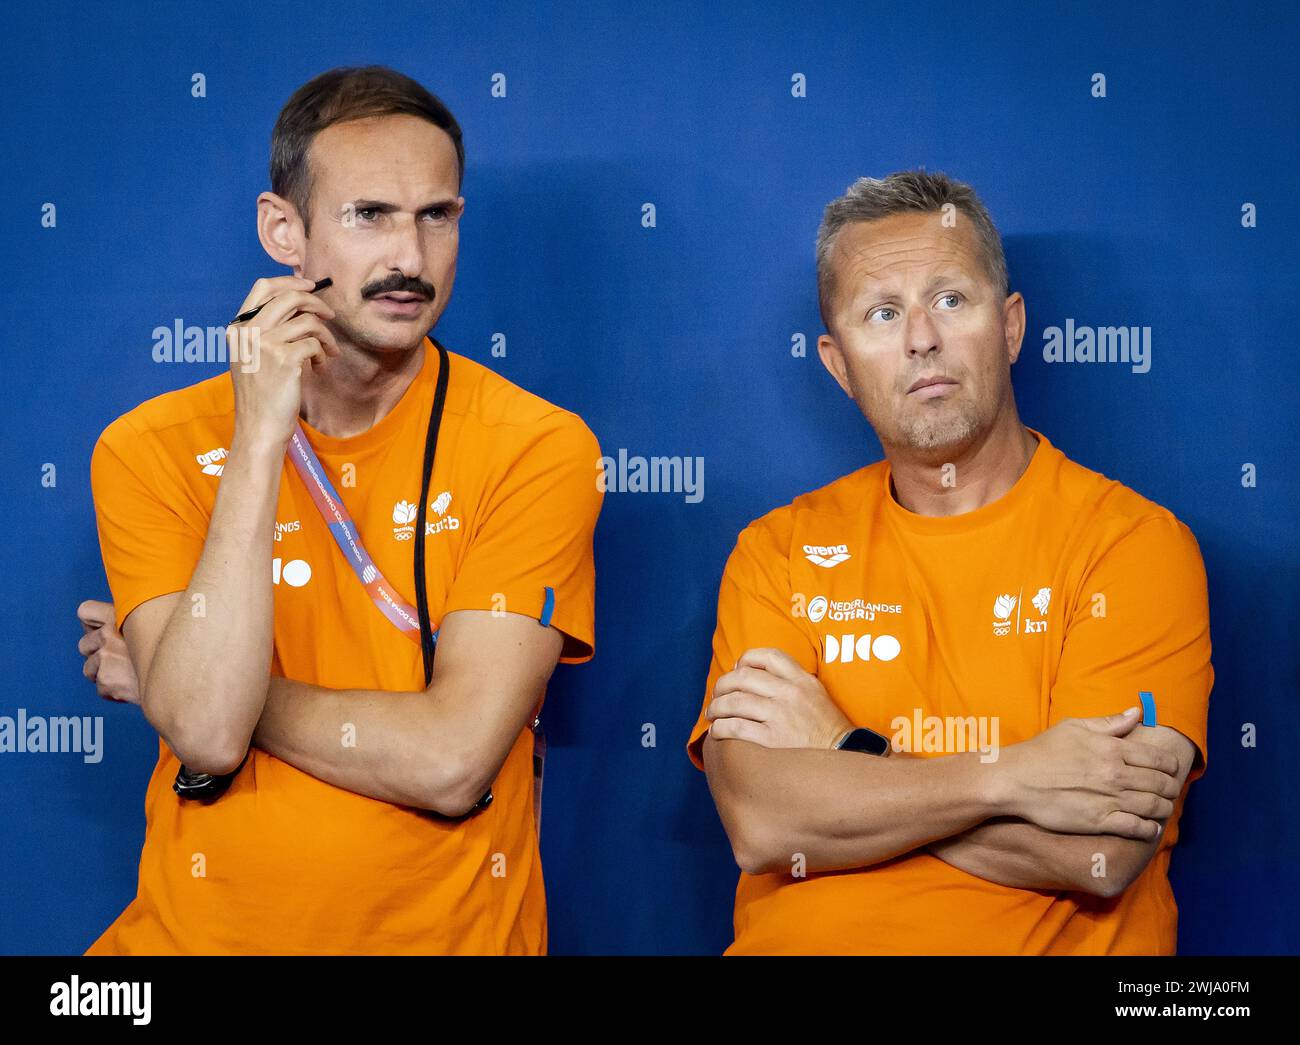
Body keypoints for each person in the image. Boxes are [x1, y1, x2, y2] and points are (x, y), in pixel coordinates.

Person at [76, 65, 602, 955]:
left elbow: (452, 760)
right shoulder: (147, 446)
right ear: (284, 230)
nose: (411, 258)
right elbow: (204, 735)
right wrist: (258, 436)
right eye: (369, 215)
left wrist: (182, 684)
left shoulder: (538, 446)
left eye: (436, 216)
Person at [687, 170, 1212, 955]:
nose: (921, 338)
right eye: (882, 312)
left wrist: (845, 752)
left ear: (1011, 327)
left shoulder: (1133, 545)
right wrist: (1013, 777)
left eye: (951, 299)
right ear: (838, 364)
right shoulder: (780, 551)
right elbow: (763, 822)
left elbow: (1098, 851)